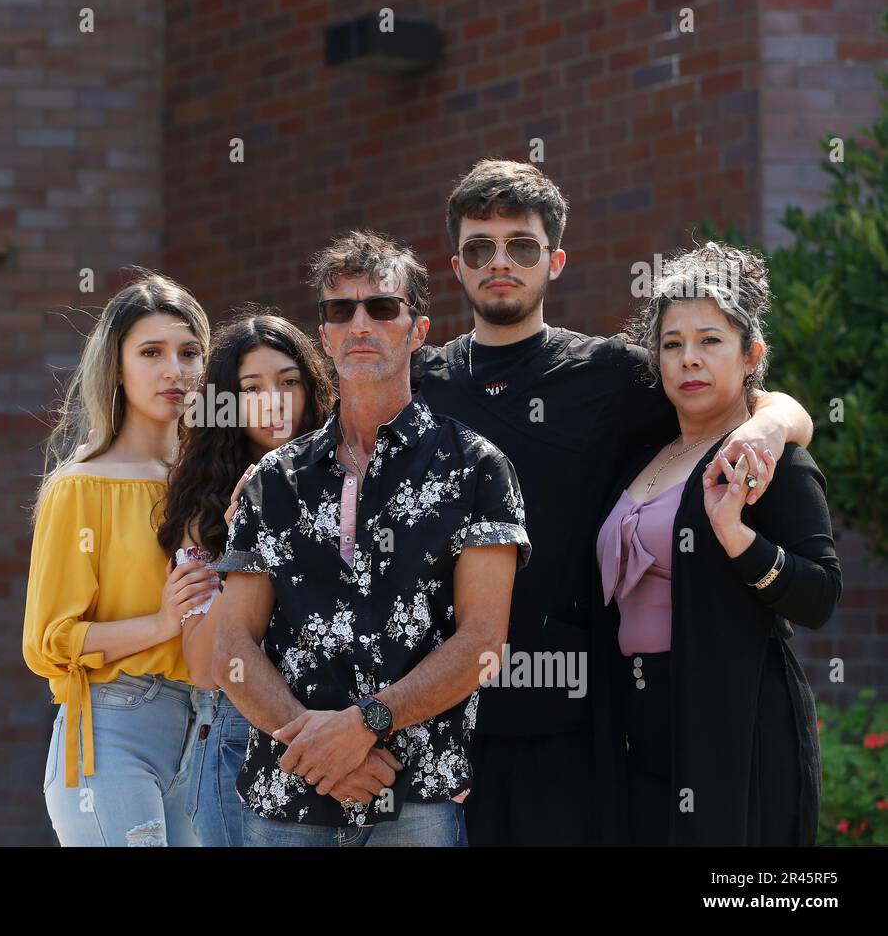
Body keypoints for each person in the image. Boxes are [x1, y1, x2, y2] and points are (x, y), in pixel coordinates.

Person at [410, 159, 816, 845]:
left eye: (523, 245)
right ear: (457, 264)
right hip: (439, 715)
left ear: (557, 259)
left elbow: (731, 395)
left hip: (577, 724)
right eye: (480, 247)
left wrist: (773, 426)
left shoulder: (612, 375)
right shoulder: (421, 384)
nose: (500, 261)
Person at [211, 231, 531, 846]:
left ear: (418, 330)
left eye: (381, 308)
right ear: (325, 335)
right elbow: (231, 643)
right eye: (340, 309)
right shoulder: (273, 482)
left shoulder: (476, 468)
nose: (360, 323)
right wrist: (320, 748)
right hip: (285, 801)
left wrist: (364, 727)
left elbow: (484, 641)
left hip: (415, 799)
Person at [593, 242, 839, 845]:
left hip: (738, 722)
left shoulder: (766, 457)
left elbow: (820, 596)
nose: (689, 359)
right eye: (672, 344)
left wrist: (737, 538)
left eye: (710, 341)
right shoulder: (644, 450)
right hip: (640, 722)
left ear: (751, 355)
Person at [22, 270, 218, 846]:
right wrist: (160, 625)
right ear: (118, 366)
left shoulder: (214, 485)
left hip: (207, 731)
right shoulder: (82, 487)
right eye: (151, 352)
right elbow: (49, 641)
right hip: (115, 728)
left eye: (189, 353)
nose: (173, 371)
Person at [158, 308, 336, 846]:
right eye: (252, 388)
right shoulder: (205, 513)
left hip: (349, 732)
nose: (275, 400)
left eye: (288, 382)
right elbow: (205, 667)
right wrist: (245, 545)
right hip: (240, 738)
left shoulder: (356, 477)